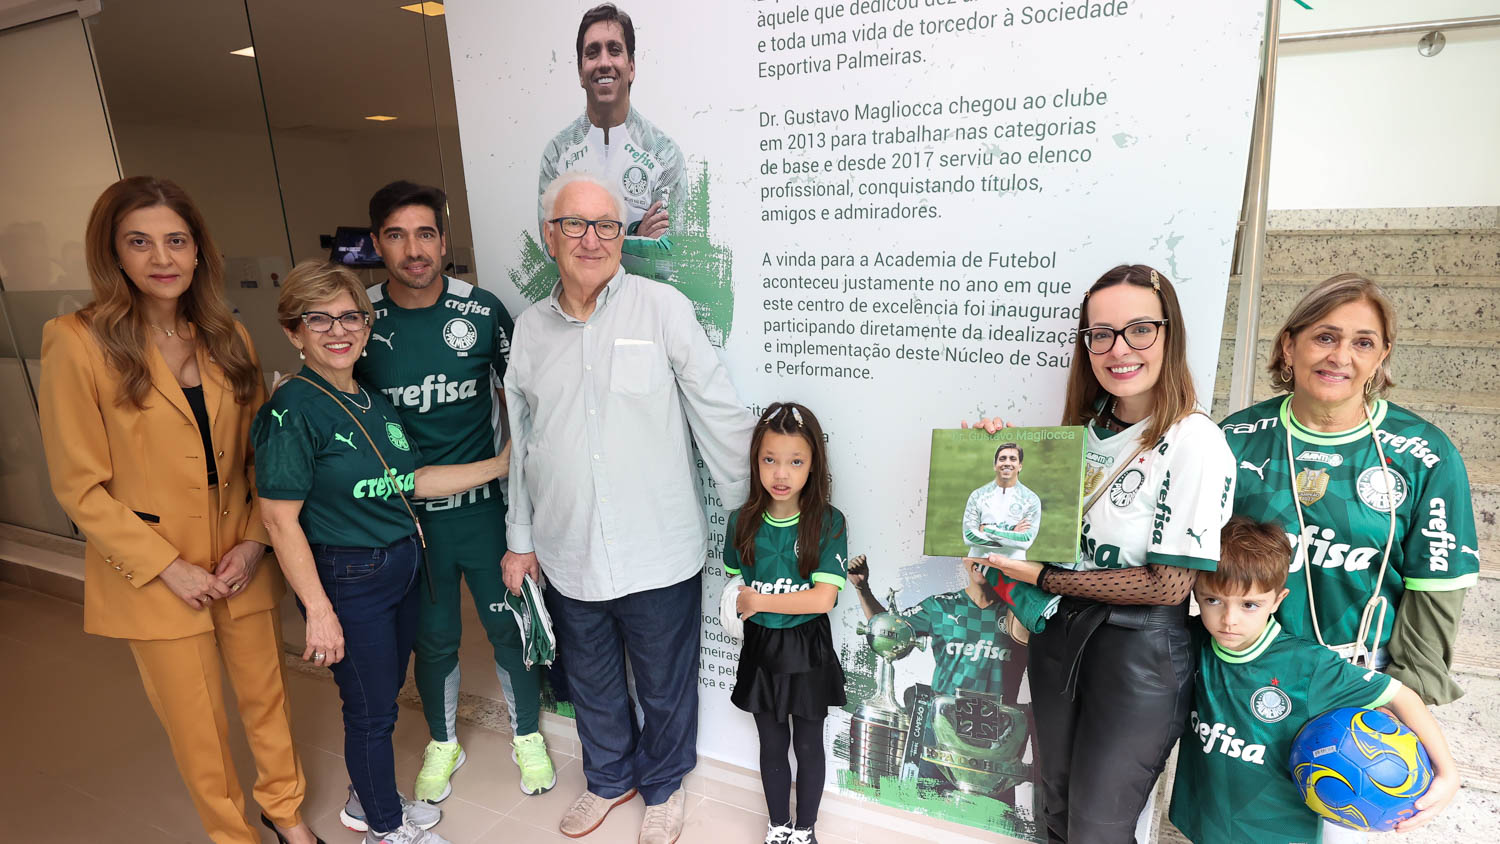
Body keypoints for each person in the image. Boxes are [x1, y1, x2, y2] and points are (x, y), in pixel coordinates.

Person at [38, 176, 321, 844]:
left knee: (267, 703)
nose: (161, 258)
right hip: (158, 578)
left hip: (239, 563)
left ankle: (286, 814)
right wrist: (170, 568)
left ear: (198, 252)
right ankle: (233, 835)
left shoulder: (227, 337)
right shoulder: (76, 340)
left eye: (176, 241)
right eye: (140, 242)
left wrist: (255, 542)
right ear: (114, 253)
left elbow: (263, 461)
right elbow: (78, 487)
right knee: (197, 725)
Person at [502, 170, 756, 843]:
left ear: (623, 234)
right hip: (567, 546)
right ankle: (610, 779)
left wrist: (750, 526)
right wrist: (520, 537)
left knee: (666, 684)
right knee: (589, 680)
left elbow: (720, 419)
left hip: (659, 546)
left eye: (607, 225)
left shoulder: (661, 309)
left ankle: (664, 786)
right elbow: (521, 447)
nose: (593, 239)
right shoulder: (528, 333)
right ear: (549, 237)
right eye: (576, 225)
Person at [975, 264, 1237, 844]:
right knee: (1052, 815)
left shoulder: (1195, 442)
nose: (1119, 349)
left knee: (1097, 829)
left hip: (1138, 652)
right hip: (1059, 638)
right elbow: (1037, 529)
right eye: (1101, 334)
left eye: (1139, 329)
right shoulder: (1083, 430)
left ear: (1170, 335)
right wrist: (988, 454)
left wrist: (1044, 576)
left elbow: (1168, 586)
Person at [254, 260, 510, 844]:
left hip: (398, 567)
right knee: (370, 714)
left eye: (350, 316)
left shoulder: (369, 400)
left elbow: (412, 481)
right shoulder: (291, 410)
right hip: (348, 578)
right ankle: (387, 831)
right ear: (293, 332)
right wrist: (318, 611)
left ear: (367, 327)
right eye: (318, 319)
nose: (337, 330)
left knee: (384, 699)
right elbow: (278, 518)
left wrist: (500, 465)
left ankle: (363, 801)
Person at [356, 180, 555, 800]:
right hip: (409, 523)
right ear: (377, 244)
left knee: (508, 628)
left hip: (485, 514)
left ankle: (528, 735)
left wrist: (521, 482)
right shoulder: (358, 318)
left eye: (425, 234)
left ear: (444, 241)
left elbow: (522, 400)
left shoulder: (481, 310)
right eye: (396, 235)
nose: (413, 249)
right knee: (433, 637)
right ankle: (443, 742)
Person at [1219, 273, 1477, 705]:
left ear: (1382, 356)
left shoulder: (1425, 454)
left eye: (1362, 343)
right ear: (1288, 345)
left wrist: (1404, 699)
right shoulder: (1233, 439)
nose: (1340, 356)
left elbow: (1436, 593)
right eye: (1325, 337)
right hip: (1240, 677)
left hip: (1360, 686)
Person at [1168, 516, 1459, 844]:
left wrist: (1447, 773)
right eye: (1213, 600)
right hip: (1207, 822)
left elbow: (1400, 695)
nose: (1229, 619)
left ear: (1277, 600)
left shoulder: (1309, 666)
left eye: (1250, 605)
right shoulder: (1189, 640)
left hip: (1278, 833)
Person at [725, 402, 848, 844]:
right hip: (760, 649)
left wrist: (759, 599)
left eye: (796, 461)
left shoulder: (828, 522)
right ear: (756, 460)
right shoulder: (741, 521)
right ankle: (777, 826)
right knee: (772, 745)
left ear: (813, 465)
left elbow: (823, 598)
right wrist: (744, 601)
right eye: (770, 460)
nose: (782, 473)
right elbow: (736, 585)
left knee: (808, 745)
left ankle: (805, 829)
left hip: (807, 649)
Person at [539, 3, 683, 276]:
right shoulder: (557, 154)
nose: (604, 62)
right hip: (577, 314)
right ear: (581, 72)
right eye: (592, 53)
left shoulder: (663, 153)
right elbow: (552, 252)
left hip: (643, 313)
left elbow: (667, 261)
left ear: (631, 67)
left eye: (614, 50)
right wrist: (636, 236)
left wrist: (581, 239)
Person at [963, 442, 1042, 559]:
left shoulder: (1031, 499)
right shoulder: (978, 495)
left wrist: (988, 529)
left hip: (1015, 568)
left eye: (1013, 459)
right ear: (995, 465)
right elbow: (969, 536)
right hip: (980, 564)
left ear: (1020, 465)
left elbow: (1025, 541)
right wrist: (1012, 534)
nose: (1007, 463)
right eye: (1002, 459)